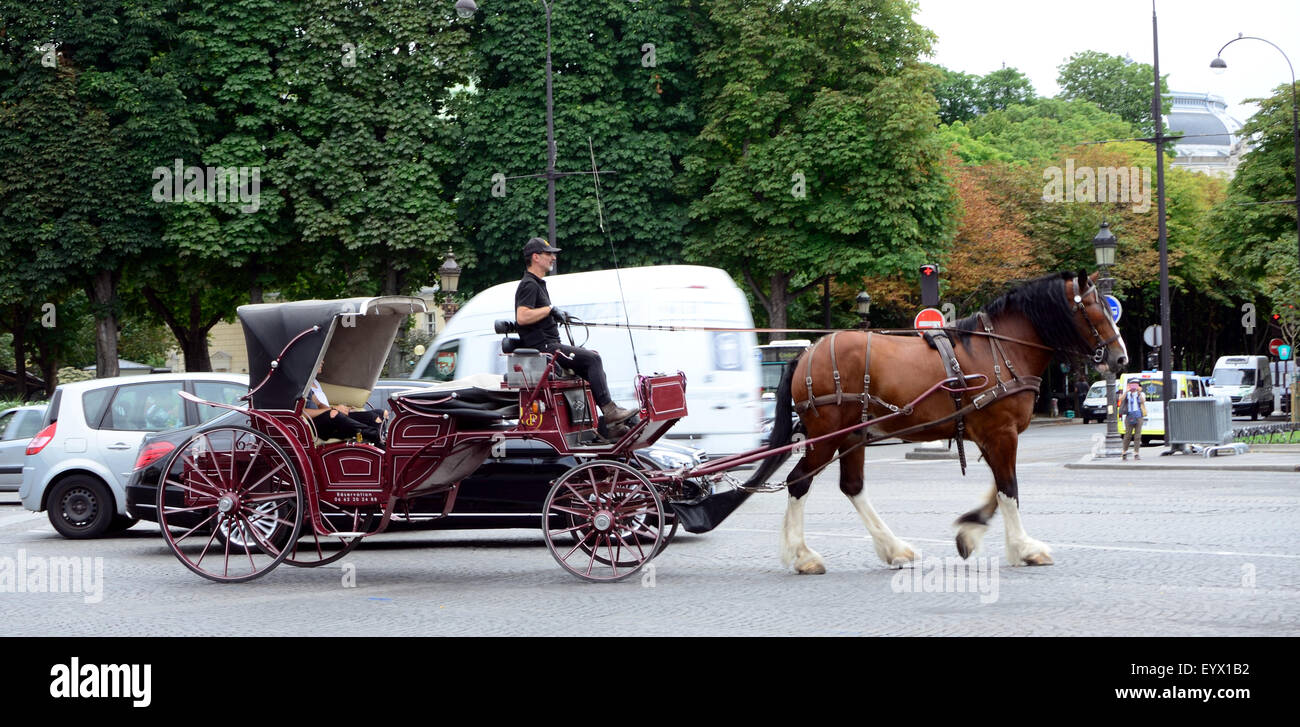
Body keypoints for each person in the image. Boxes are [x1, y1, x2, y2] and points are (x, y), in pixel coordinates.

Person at [514, 237, 637, 427]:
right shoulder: (529, 284)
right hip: (544, 348)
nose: (553, 258)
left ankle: (606, 424)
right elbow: (522, 317)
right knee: (592, 360)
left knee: (591, 360)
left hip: (549, 346)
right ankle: (610, 412)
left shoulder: (537, 284)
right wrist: (549, 310)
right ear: (536, 257)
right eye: (549, 254)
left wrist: (553, 315)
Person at [303, 365, 386, 445]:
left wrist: (334, 408)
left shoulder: (308, 383)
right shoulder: (296, 386)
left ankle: (380, 446)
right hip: (316, 425)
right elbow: (302, 412)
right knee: (333, 414)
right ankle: (375, 434)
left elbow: (319, 403)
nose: (322, 362)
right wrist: (332, 410)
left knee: (380, 413)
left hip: (328, 419)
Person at [1120, 379, 1147, 460]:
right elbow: (1121, 399)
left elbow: (1143, 401)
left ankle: (1136, 453)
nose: (1134, 386)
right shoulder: (1127, 394)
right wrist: (1126, 391)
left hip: (1139, 415)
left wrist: (1138, 393)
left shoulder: (1141, 393)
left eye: (1135, 385)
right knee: (1127, 435)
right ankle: (1124, 452)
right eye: (1132, 385)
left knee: (1137, 435)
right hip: (1129, 416)